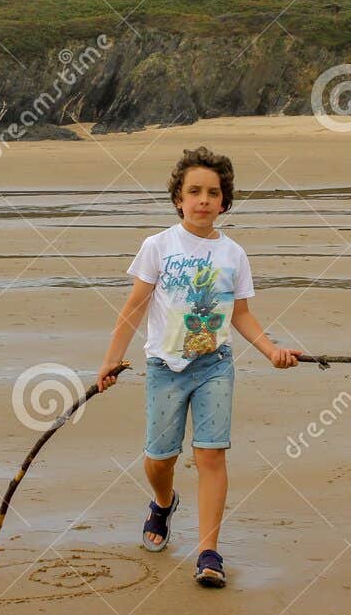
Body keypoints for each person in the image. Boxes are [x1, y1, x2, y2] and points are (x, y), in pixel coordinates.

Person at [97, 146, 302, 588]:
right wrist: (111, 361)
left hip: (215, 365)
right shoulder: (158, 246)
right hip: (164, 367)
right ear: (178, 198)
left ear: (224, 201)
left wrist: (270, 350)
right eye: (194, 191)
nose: (204, 199)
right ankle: (162, 501)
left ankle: (209, 551)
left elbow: (241, 314)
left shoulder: (234, 254)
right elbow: (134, 307)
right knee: (159, 459)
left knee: (210, 454)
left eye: (213, 192)